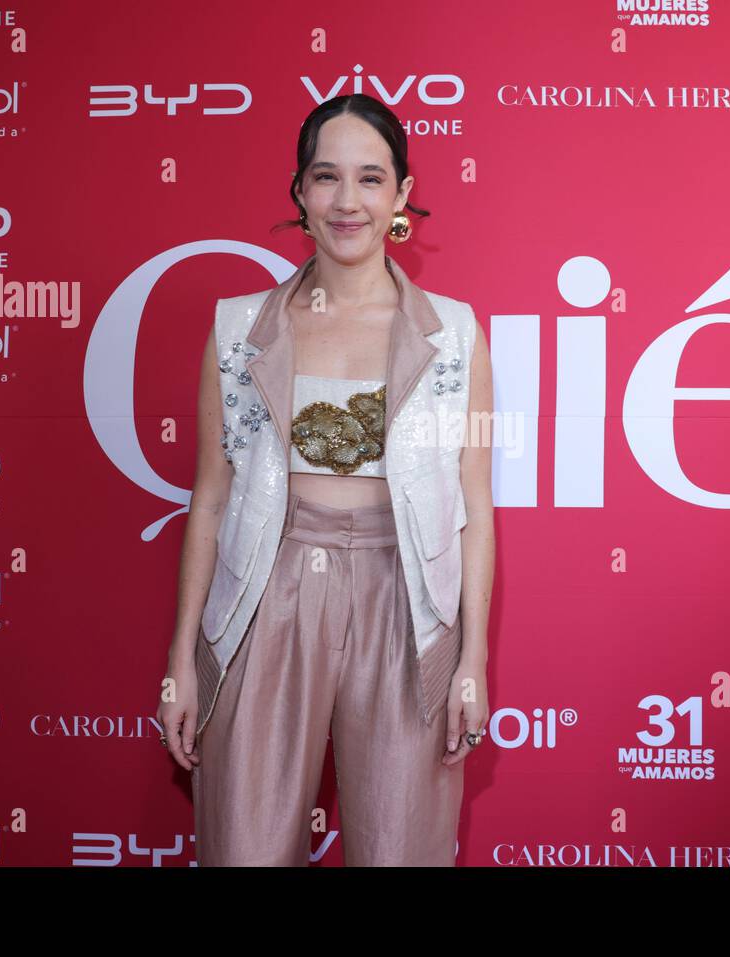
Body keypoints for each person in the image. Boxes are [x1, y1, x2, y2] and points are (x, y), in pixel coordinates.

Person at [156, 93, 494, 866]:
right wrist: (181, 657)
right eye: (327, 177)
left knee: (399, 846)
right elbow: (209, 497)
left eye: (372, 179)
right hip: (266, 591)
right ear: (299, 193)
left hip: (406, 600)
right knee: (244, 843)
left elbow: (473, 505)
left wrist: (470, 661)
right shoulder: (238, 329)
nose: (349, 202)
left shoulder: (456, 335)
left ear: (402, 195)